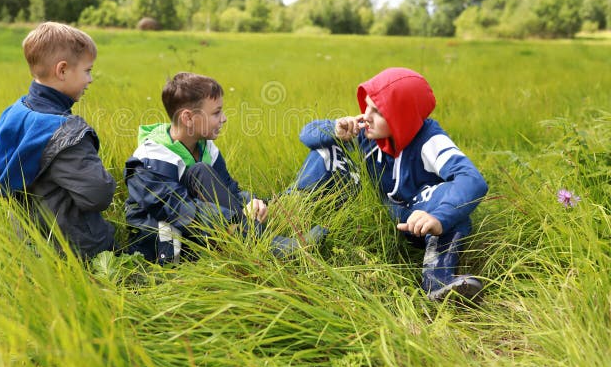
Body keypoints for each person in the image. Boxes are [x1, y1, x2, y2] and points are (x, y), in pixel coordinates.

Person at [293, 67, 488, 301]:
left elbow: (472, 179)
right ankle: (289, 204)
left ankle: (437, 280)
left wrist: (439, 218)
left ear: (401, 116)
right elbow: (307, 133)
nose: (366, 115)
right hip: (372, 208)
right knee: (326, 147)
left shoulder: (430, 139)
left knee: (452, 203)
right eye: (366, 106)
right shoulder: (365, 130)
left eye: (378, 111)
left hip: (414, 215)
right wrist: (335, 129)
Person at [124, 72, 327, 264]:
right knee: (200, 179)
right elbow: (178, 209)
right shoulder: (151, 157)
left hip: (200, 230)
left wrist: (252, 202)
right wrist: (232, 220)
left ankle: (256, 242)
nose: (223, 119)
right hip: (161, 242)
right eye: (216, 112)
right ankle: (264, 245)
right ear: (188, 118)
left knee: (201, 171)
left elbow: (228, 191)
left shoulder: (206, 148)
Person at [0, 22, 116, 259]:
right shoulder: (67, 133)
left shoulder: (14, 112)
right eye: (87, 70)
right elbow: (98, 194)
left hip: (23, 239)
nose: (90, 79)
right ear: (62, 70)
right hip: (73, 250)